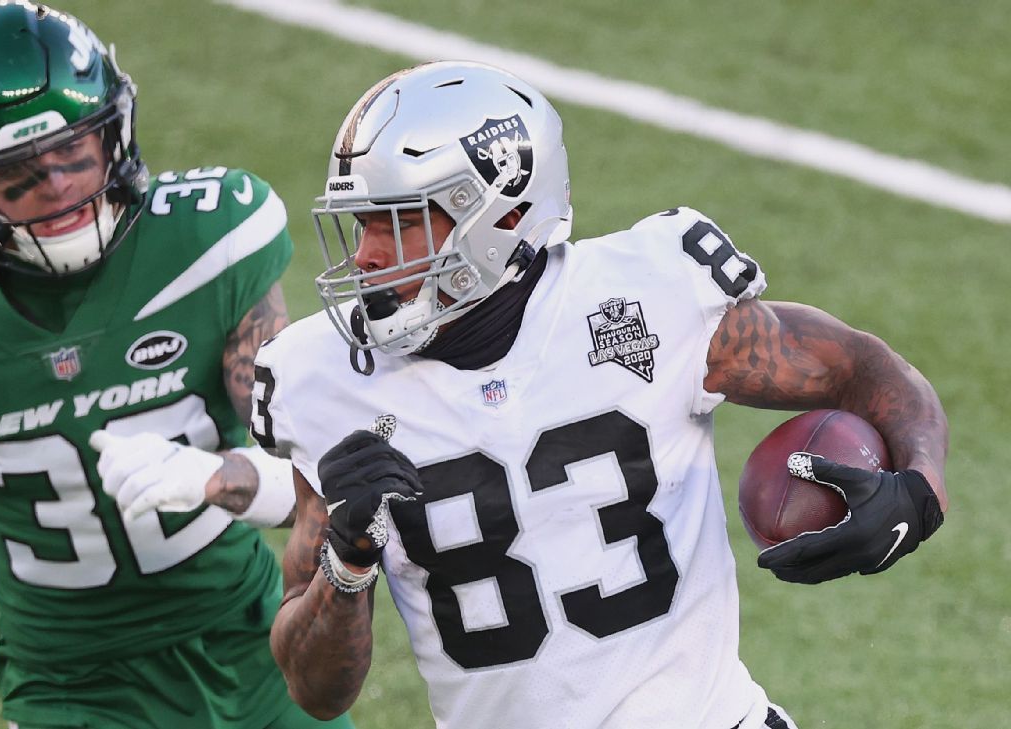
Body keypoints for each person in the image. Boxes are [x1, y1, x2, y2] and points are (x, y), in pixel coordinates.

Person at [251, 61, 948, 729]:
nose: (368, 255)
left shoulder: (651, 296)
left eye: (397, 222)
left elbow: (862, 366)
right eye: (362, 223)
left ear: (499, 218)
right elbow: (313, 689)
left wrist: (918, 493)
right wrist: (346, 564)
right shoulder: (324, 380)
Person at [0, 3, 352, 728]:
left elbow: (325, 472)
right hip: (71, 679)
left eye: (74, 153)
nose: (56, 185)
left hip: (253, 644)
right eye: (18, 176)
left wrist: (221, 477)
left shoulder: (204, 245)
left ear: (113, 136)